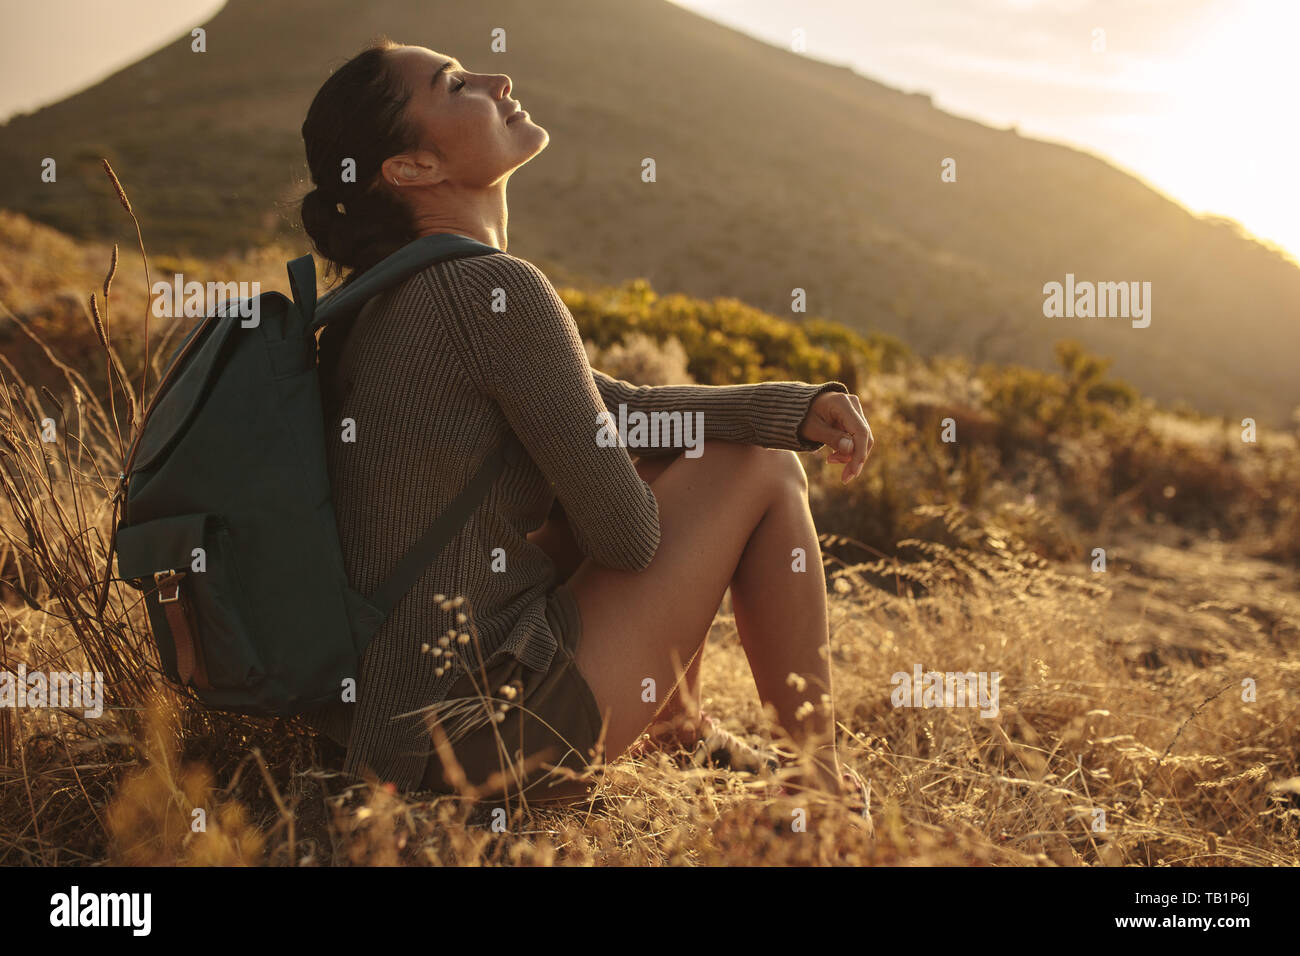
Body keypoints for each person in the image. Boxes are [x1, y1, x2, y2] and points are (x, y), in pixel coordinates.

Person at [297, 37, 875, 810]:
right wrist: (667, 472)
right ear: (411, 169)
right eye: (457, 83)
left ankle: (677, 728)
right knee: (759, 472)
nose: (498, 79)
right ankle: (822, 786)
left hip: (389, 736)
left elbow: (615, 410)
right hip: (482, 742)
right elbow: (629, 538)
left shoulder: (387, 296)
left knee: (699, 452)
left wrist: (791, 409)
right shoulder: (491, 290)